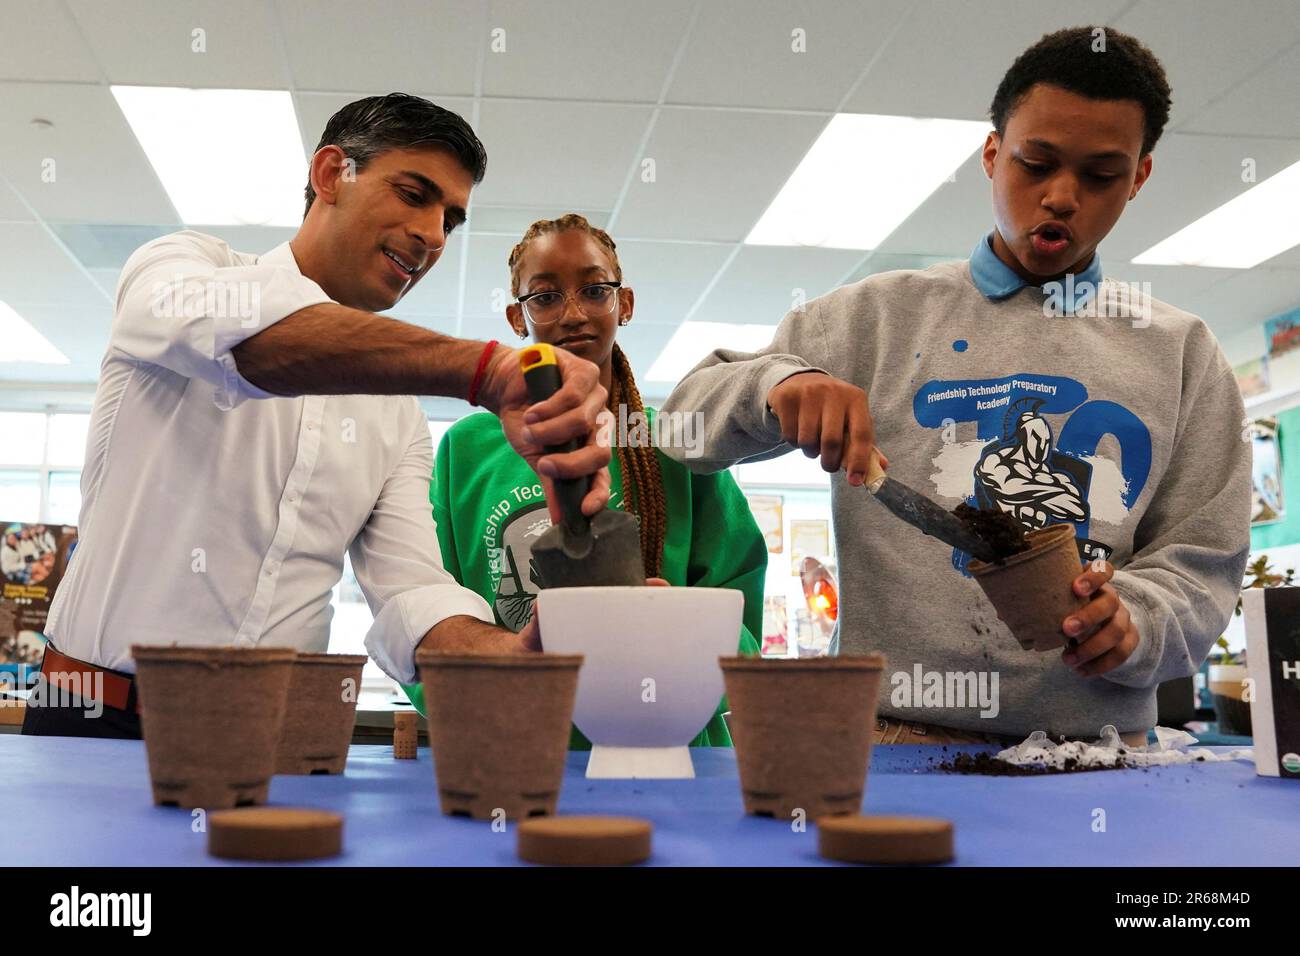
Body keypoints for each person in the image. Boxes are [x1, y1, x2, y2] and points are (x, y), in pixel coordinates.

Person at [660, 28, 1251, 746]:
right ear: (993, 153)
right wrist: (778, 386)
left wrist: (1138, 621)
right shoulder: (872, 317)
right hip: (892, 743)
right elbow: (679, 427)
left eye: (1101, 175)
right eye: (1036, 162)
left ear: (1139, 177)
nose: (1061, 197)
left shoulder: (1182, 353)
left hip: (1098, 755)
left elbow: (1201, 563)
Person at [24, 94, 611, 739]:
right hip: (96, 722)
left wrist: (516, 653)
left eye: (451, 218)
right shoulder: (182, 268)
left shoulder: (397, 418)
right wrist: (490, 371)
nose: (434, 235)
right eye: (414, 194)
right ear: (332, 174)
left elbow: (411, 590)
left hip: (281, 737)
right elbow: (254, 343)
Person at [402, 214, 767, 746]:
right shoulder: (466, 448)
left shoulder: (676, 440)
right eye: (545, 298)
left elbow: (744, 638)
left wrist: (677, 626)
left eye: (595, 290)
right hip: (512, 752)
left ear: (625, 304)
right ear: (515, 316)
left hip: (667, 752)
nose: (573, 314)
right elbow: (430, 612)